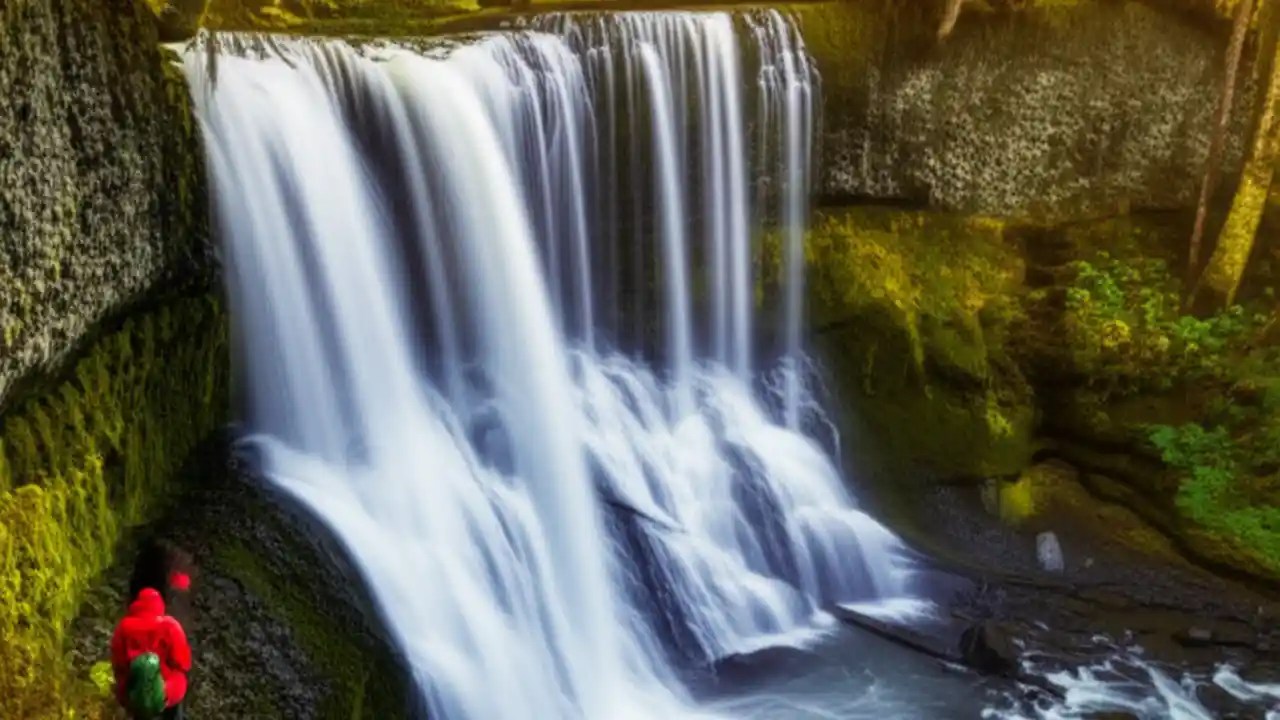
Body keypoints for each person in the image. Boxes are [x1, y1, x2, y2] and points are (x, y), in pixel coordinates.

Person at [112, 537, 194, 719]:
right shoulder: (171, 625)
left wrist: (124, 691)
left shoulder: (123, 627)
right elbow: (184, 663)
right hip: (167, 692)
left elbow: (118, 666)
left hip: (136, 696)